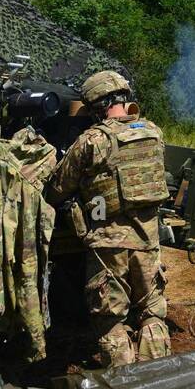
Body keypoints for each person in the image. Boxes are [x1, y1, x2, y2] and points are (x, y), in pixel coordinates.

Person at [45, 71, 171, 368]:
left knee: (109, 319)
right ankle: (158, 380)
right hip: (148, 240)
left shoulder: (93, 140)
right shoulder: (153, 131)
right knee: (152, 311)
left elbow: (57, 189)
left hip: (108, 244)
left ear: (96, 106)